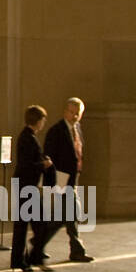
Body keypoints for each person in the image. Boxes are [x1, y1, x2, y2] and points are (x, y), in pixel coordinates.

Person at [35, 96, 94, 263]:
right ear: (65, 111)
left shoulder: (78, 129)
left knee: (65, 216)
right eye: (71, 112)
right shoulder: (56, 131)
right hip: (61, 179)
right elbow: (49, 156)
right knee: (71, 213)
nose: (74, 116)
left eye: (78, 113)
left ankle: (38, 245)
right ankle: (76, 250)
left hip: (73, 179)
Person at [10, 106, 53, 272]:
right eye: (43, 120)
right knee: (40, 224)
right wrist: (44, 164)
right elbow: (27, 165)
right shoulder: (28, 138)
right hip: (26, 186)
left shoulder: (27, 136)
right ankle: (30, 258)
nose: (43, 123)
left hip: (25, 185)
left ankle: (23, 260)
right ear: (37, 120)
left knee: (25, 225)